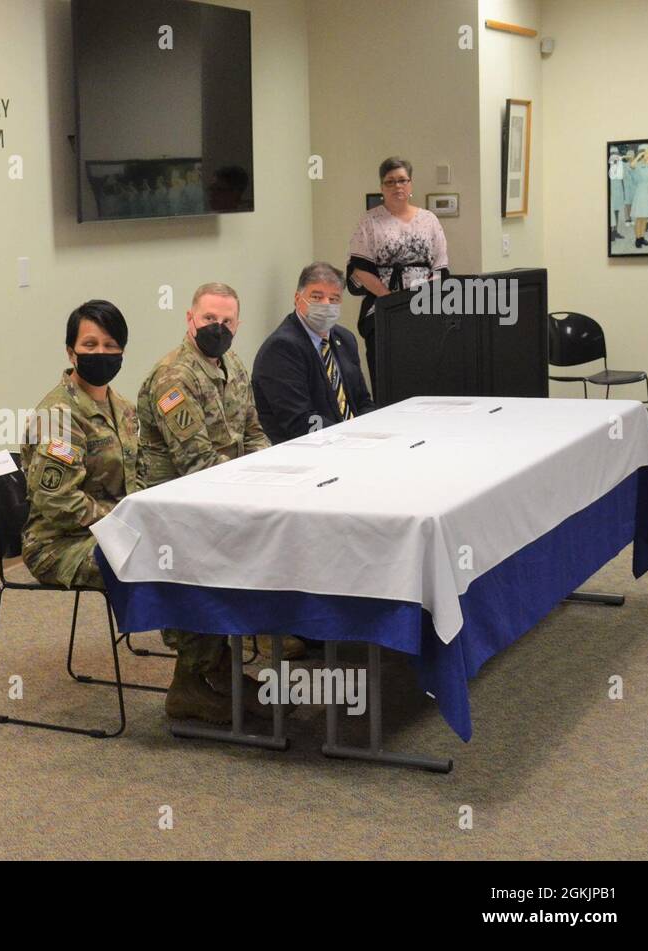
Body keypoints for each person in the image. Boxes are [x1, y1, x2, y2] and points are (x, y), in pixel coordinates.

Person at [136, 283, 280, 724]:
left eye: (226, 322)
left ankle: (222, 666)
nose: (217, 328)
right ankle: (191, 682)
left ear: (238, 324)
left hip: (223, 495)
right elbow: (196, 462)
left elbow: (254, 431)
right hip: (174, 509)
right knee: (223, 557)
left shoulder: (232, 364)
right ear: (189, 320)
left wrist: (269, 476)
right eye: (208, 320)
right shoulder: (174, 378)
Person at [20, 300, 138, 590]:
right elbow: (57, 501)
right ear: (71, 353)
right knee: (154, 561)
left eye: (111, 345)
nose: (101, 353)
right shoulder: (57, 416)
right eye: (90, 344)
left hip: (114, 529)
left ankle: (211, 635)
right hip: (58, 544)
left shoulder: (122, 407)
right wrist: (121, 522)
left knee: (181, 547)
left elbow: (138, 477)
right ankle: (187, 636)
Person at [346, 157, 450, 390]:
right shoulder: (369, 221)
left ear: (411, 184)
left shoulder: (429, 220)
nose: (397, 186)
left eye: (402, 180)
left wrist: (421, 300)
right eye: (390, 182)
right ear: (382, 187)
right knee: (388, 379)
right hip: (382, 309)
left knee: (427, 379)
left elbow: (440, 266)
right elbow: (360, 270)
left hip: (425, 309)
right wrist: (392, 301)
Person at [252, 262, 376, 445]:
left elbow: (362, 401)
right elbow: (300, 421)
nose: (326, 305)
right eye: (317, 297)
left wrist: (378, 428)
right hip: (307, 449)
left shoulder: (345, 338)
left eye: (334, 299)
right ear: (297, 298)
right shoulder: (281, 348)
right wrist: (347, 440)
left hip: (351, 442)